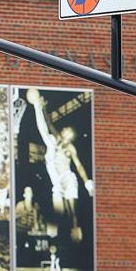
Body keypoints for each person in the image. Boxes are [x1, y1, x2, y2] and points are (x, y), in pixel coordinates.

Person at [28, 88, 93, 241]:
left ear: (70, 136)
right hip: (56, 178)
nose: (64, 130)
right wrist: (42, 108)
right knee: (59, 207)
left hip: (67, 176)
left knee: (71, 208)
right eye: (64, 129)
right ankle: (57, 232)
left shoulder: (71, 148)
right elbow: (48, 124)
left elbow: (78, 166)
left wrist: (87, 182)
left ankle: (76, 229)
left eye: (67, 131)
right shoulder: (54, 140)